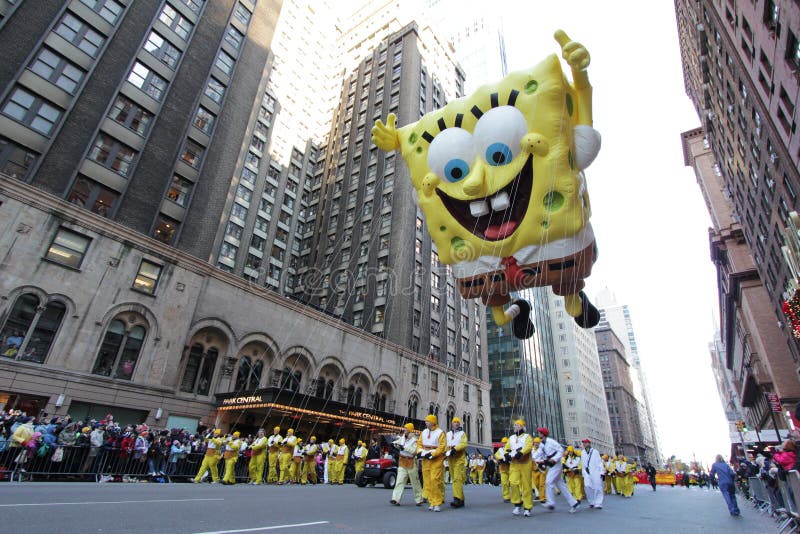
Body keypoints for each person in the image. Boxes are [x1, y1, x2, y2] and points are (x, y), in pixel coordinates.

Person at [537, 427, 579, 513]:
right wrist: (535, 459)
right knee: (561, 485)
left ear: (543, 434)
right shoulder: (541, 444)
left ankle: (551, 503)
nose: (538, 434)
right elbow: (539, 453)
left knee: (548, 482)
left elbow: (561, 450)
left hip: (556, 465)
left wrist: (554, 459)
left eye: (540, 433)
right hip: (551, 465)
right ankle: (573, 503)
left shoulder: (551, 442)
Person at [418, 414, 446, 512]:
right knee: (427, 480)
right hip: (426, 457)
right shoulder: (424, 432)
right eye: (425, 421)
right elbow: (419, 443)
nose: (426, 422)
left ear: (433, 422)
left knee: (435, 479)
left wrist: (434, 453)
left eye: (428, 421)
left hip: (436, 458)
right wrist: (420, 452)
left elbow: (442, 446)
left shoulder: (440, 433)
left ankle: (437, 502)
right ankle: (431, 501)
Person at [390, 423, 423, 506]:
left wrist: (404, 448)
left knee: (415, 482)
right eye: (404, 428)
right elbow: (397, 443)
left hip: (411, 463)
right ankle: (395, 499)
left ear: (410, 430)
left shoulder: (415, 440)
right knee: (399, 481)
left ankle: (419, 499)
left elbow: (414, 451)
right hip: (402, 461)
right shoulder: (402, 438)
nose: (404, 429)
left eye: (406, 428)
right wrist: (393, 444)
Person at [507, 419, 534, 517]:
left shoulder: (527, 437)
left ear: (522, 427)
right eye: (514, 425)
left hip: (525, 462)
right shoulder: (511, 438)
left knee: (526, 485)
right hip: (514, 463)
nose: (515, 426)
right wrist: (506, 454)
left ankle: (527, 507)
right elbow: (507, 448)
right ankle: (517, 504)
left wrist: (521, 452)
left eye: (517, 425)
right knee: (513, 482)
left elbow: (529, 446)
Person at [445, 416, 468, 508]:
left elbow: (464, 444)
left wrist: (455, 448)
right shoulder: (448, 434)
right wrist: (445, 452)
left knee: (457, 478)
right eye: (455, 422)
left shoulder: (462, 433)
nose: (456, 423)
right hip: (451, 458)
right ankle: (461, 499)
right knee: (454, 478)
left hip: (459, 457)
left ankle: (457, 499)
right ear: (452, 424)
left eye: (458, 422)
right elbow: (446, 444)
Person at [581, 439, 604, 509]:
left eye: (586, 443)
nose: (584, 444)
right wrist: (584, 473)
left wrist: (602, 472)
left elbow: (599, 462)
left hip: (595, 471)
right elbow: (583, 463)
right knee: (587, 486)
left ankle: (598, 503)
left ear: (589, 443)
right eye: (584, 443)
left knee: (597, 487)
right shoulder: (582, 452)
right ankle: (591, 501)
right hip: (587, 472)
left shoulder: (595, 452)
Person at [531, 437, 548, 503]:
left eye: (537, 443)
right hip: (534, 469)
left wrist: (542, 462)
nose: (536, 444)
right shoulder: (531, 450)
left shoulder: (542, 450)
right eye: (535, 442)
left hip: (542, 469)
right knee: (536, 483)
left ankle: (543, 498)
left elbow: (546, 458)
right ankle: (542, 494)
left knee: (542, 484)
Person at [495, 437, 511, 502]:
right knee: (504, 483)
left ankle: (517, 495)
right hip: (503, 468)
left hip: (511, 468)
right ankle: (506, 497)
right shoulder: (500, 450)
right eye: (504, 443)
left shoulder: (511, 449)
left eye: (506, 442)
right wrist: (500, 458)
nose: (505, 444)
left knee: (513, 483)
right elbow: (496, 455)